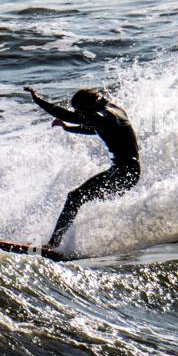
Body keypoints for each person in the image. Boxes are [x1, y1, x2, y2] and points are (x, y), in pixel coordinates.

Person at [26, 86, 140, 247]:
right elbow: (99, 130)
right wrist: (69, 128)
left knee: (75, 198)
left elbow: (66, 115)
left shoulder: (104, 116)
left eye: (79, 110)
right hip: (124, 171)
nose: (79, 114)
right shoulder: (111, 110)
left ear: (87, 106)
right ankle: (109, 241)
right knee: (81, 199)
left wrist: (38, 100)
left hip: (124, 173)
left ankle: (53, 244)